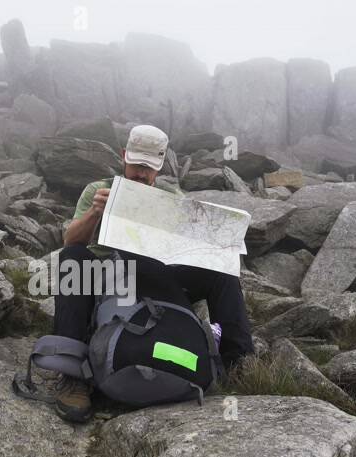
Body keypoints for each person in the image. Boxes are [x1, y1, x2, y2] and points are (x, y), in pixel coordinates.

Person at [52, 124, 255, 423]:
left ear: (159, 167)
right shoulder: (98, 190)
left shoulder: (169, 195)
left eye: (149, 168)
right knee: (73, 259)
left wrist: (216, 240)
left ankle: (238, 364)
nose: (142, 174)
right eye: (136, 165)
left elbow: (186, 249)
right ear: (124, 157)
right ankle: (71, 375)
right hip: (105, 275)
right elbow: (71, 240)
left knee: (221, 274)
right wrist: (96, 213)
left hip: (156, 274)